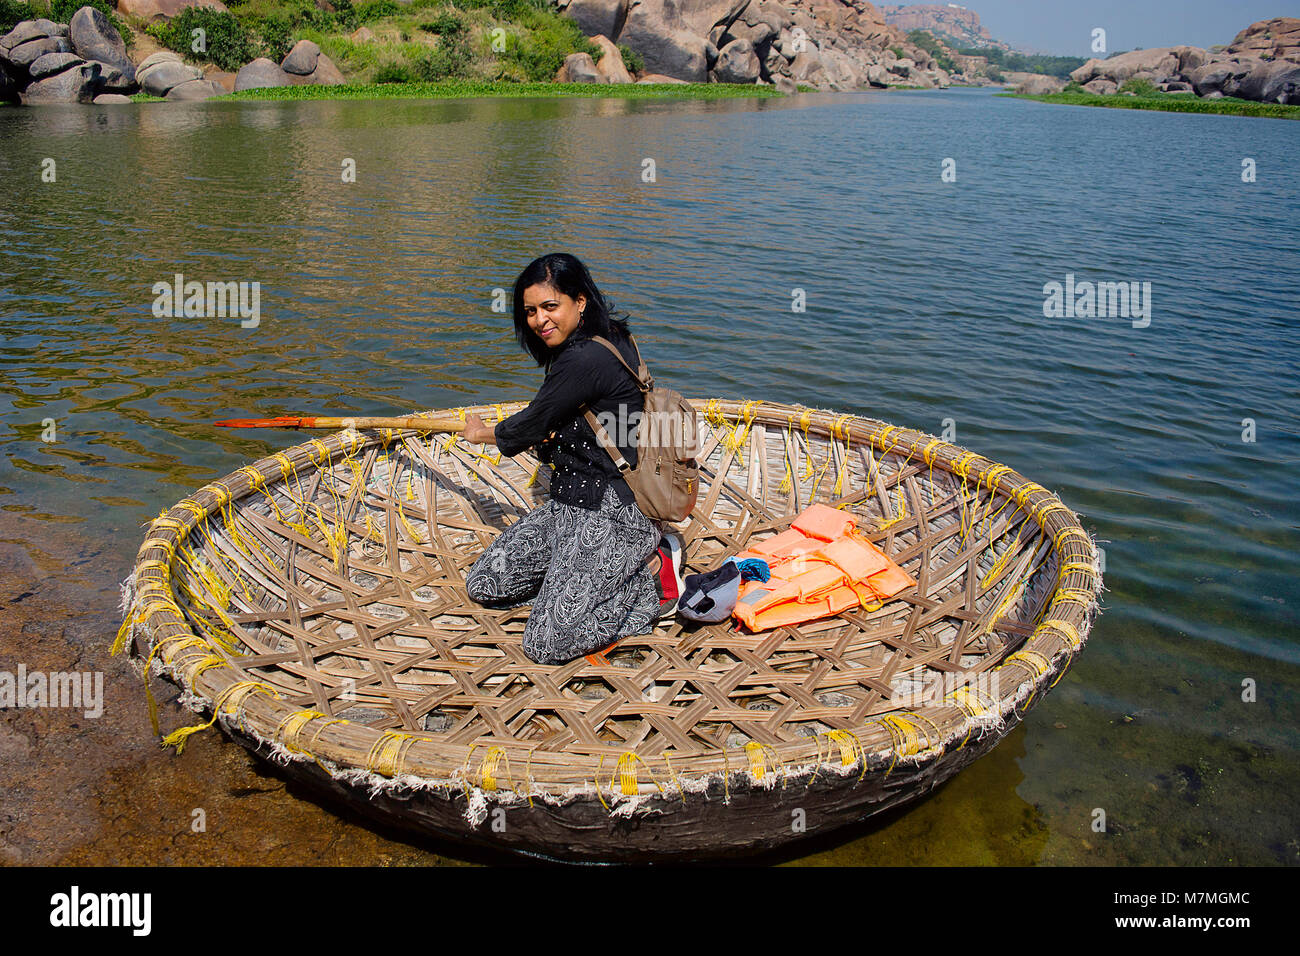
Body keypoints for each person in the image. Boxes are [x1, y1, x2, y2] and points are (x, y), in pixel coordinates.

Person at [461, 253, 686, 665]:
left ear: (579, 301)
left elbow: (529, 424)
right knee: (486, 584)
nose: (539, 320)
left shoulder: (586, 357)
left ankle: (652, 579)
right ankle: (585, 578)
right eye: (530, 311)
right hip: (569, 504)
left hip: (614, 512)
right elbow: (561, 417)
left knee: (546, 643)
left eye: (550, 307)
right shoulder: (599, 338)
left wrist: (479, 433)